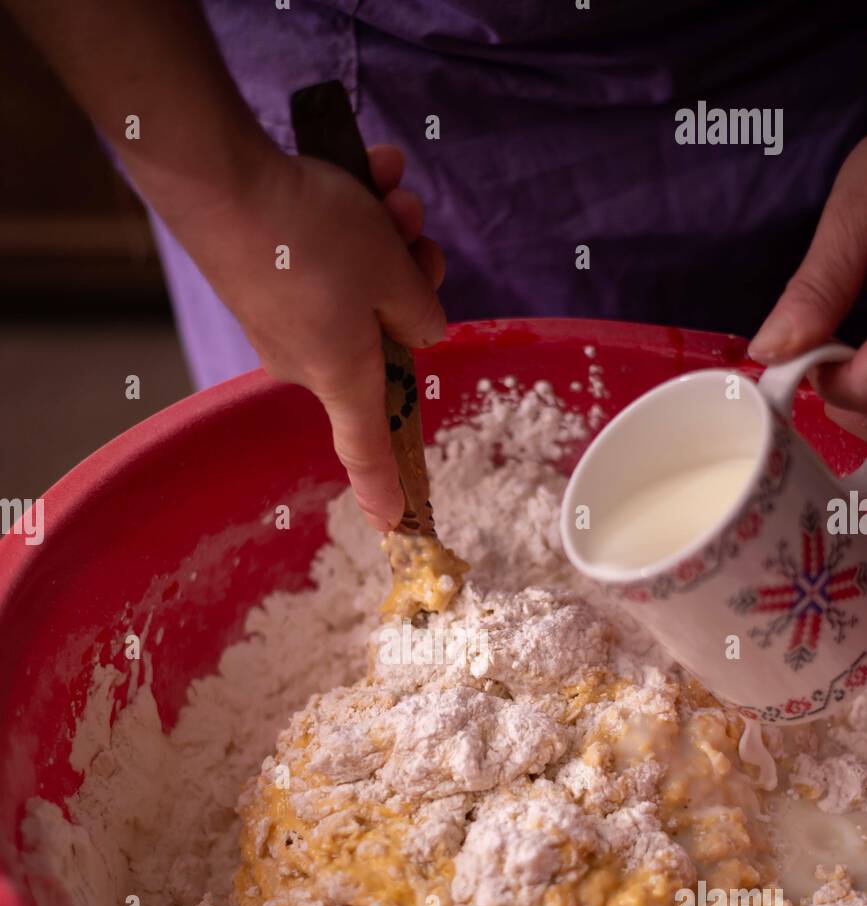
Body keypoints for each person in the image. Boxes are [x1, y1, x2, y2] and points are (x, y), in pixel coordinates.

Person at [7, 0, 867, 533]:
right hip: (306, 103)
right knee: (339, 445)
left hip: (795, 84)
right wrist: (226, 195)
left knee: (798, 463)